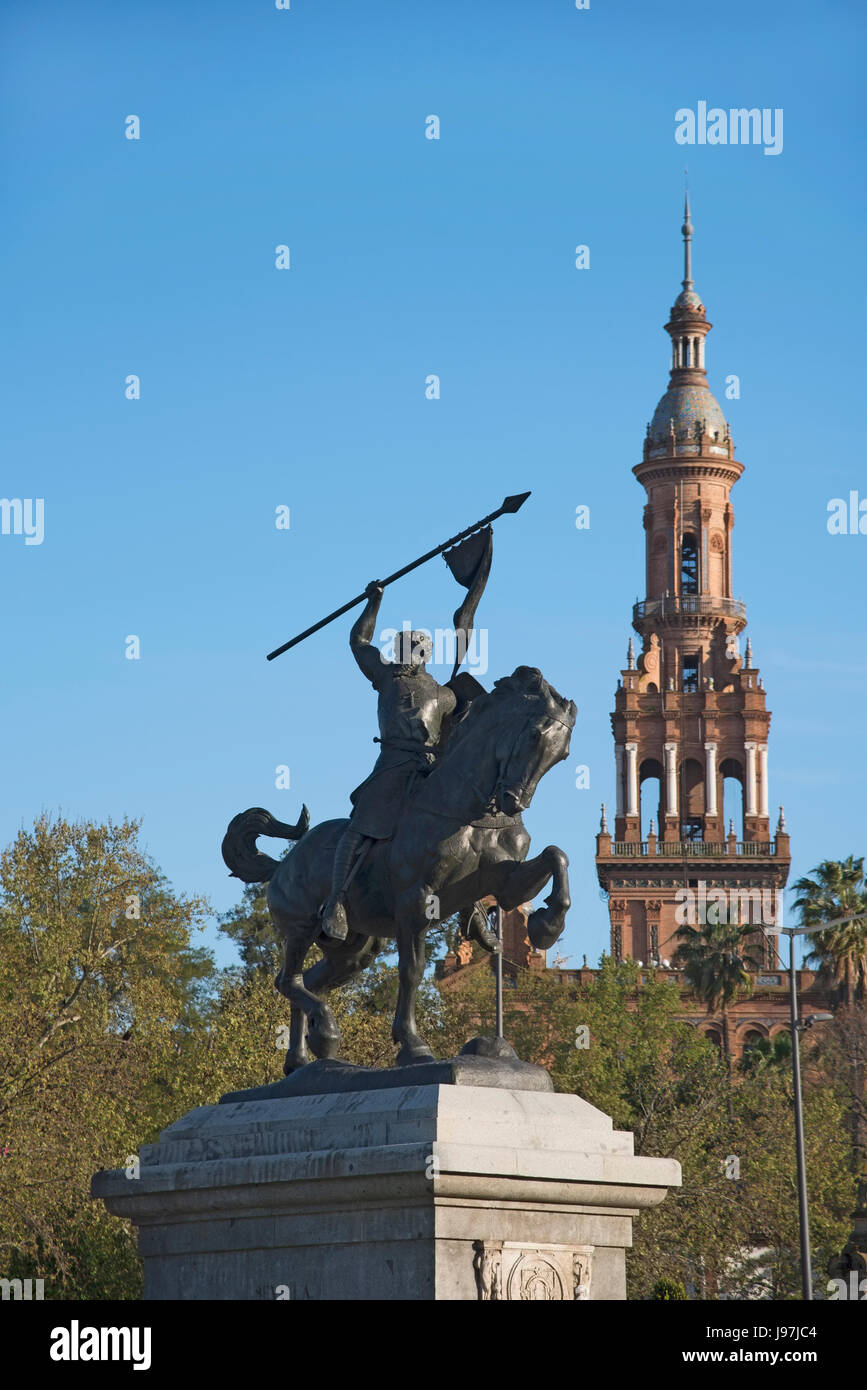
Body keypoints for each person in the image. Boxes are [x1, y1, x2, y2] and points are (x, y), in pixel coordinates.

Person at [319, 582, 457, 941]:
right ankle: (335, 900)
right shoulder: (386, 677)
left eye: (407, 649)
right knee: (358, 829)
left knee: (458, 829)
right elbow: (359, 642)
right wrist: (374, 603)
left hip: (429, 770)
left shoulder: (445, 695)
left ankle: (470, 911)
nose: (401, 654)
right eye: (399, 648)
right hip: (393, 766)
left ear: (423, 653)